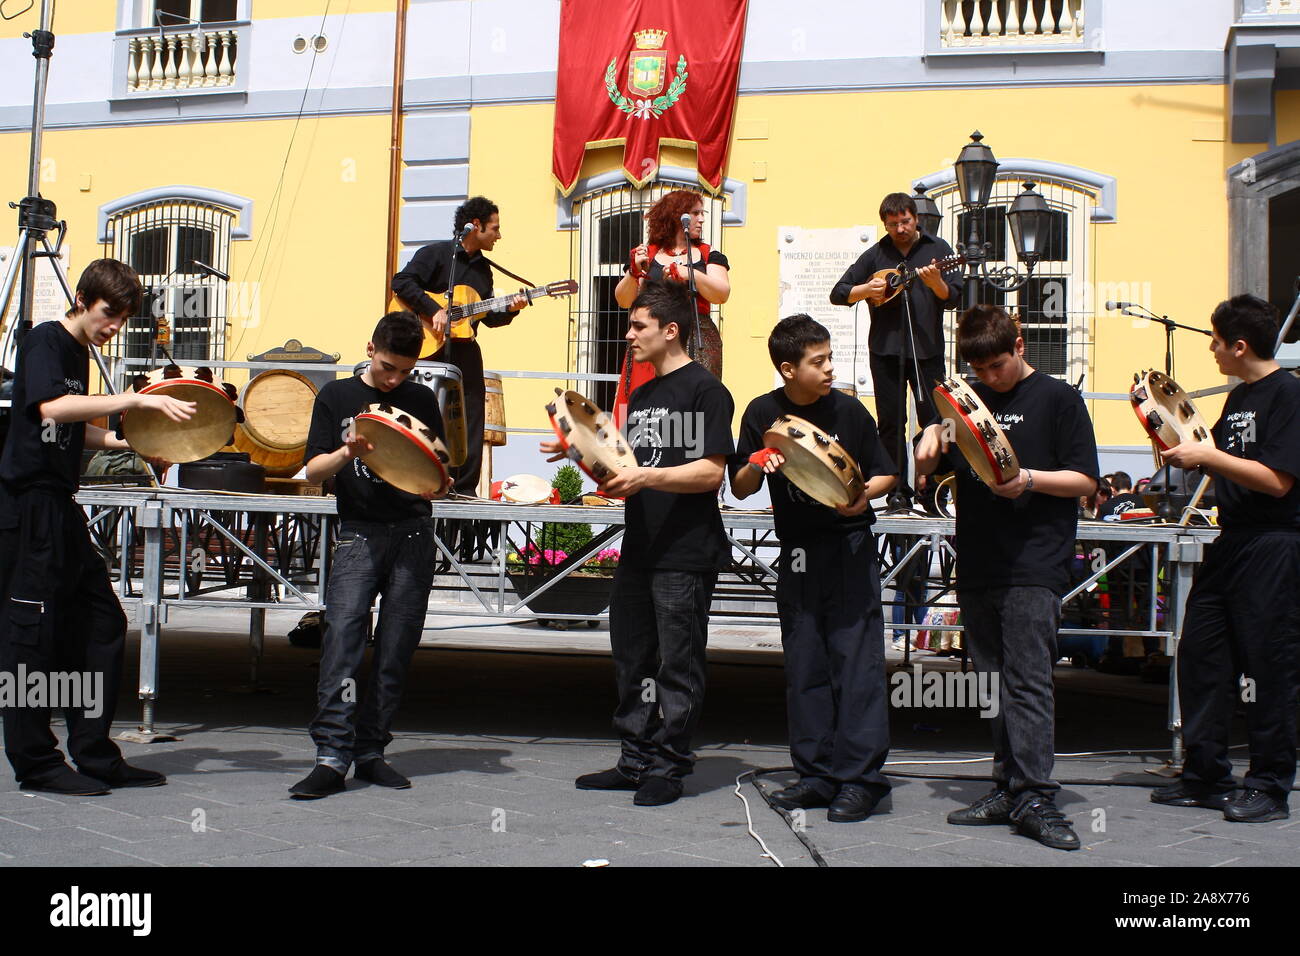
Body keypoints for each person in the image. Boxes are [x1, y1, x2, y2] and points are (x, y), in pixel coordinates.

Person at [0, 259, 188, 795]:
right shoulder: (44, 340)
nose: (115, 327)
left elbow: (78, 429)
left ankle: (95, 754)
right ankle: (36, 762)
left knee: (102, 622)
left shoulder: (79, 352)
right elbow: (52, 410)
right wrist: (134, 399)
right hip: (27, 507)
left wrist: (132, 444)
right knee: (30, 637)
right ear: (82, 298)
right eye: (110, 314)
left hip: (61, 505)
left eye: (124, 319)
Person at [914, 304, 1099, 851]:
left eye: (997, 365)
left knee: (1029, 680)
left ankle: (1037, 793)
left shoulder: (1059, 398)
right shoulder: (964, 403)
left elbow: (1085, 478)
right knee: (993, 683)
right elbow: (929, 467)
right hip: (978, 559)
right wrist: (925, 445)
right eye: (980, 369)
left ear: (1019, 346)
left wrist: (1030, 481)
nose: (990, 377)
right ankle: (1007, 784)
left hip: (1034, 561)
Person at [544, 279, 734, 807]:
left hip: (685, 550)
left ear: (670, 331)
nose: (627, 335)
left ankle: (669, 767)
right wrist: (576, 448)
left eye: (637, 326)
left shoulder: (706, 391)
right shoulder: (643, 394)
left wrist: (648, 479)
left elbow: (710, 473)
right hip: (641, 547)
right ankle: (634, 760)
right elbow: (624, 462)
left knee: (678, 663)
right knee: (632, 658)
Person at [730, 315, 898, 822]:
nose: (829, 369)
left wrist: (858, 498)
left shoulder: (849, 410)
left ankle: (860, 780)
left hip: (848, 547)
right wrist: (758, 461)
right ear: (788, 368)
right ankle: (816, 775)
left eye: (829, 358)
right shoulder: (763, 411)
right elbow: (739, 487)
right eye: (818, 361)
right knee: (805, 667)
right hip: (798, 552)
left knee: (857, 665)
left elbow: (887, 472)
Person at [1151, 294, 1300, 823]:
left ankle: (1269, 784)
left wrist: (1209, 456)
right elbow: (1218, 461)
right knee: (1202, 657)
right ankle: (1206, 774)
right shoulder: (1239, 399)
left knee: (1268, 665)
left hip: (1274, 544)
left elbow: (1279, 481)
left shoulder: (1288, 396)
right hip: (1231, 541)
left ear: (1240, 346)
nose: (1211, 349)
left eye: (1216, 340)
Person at [289, 311, 445, 799]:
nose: (396, 379)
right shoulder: (337, 396)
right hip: (358, 532)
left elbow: (440, 464)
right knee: (342, 640)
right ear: (370, 348)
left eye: (406, 370)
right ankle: (331, 757)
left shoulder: (420, 398)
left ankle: (371, 751)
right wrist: (348, 453)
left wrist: (440, 477)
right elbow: (313, 471)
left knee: (396, 646)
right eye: (388, 368)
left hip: (413, 533)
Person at [390, 196, 528, 495]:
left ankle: (463, 489)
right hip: (426, 347)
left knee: (471, 413)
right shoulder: (437, 255)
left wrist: (512, 308)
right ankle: (413, 478)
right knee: (420, 408)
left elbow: (488, 318)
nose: (499, 235)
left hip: (465, 349)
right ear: (475, 226)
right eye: (495, 228)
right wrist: (433, 310)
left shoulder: (483, 271)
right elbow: (401, 283)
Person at [830, 192, 963, 478]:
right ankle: (894, 489)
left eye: (905, 222)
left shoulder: (937, 248)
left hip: (927, 351)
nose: (900, 230)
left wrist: (936, 282)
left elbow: (952, 298)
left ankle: (933, 488)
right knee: (890, 422)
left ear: (916, 218)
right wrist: (866, 291)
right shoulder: (877, 254)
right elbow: (838, 293)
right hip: (884, 351)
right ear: (885, 225)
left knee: (936, 420)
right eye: (893, 224)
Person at [612, 190, 730, 420]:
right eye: (695, 213)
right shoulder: (649, 253)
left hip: (697, 337)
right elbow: (623, 300)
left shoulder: (709, 255)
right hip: (653, 334)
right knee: (646, 403)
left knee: (693, 406)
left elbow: (721, 293)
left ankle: (693, 451)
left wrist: (689, 274)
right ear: (677, 216)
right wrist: (634, 274)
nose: (702, 219)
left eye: (702, 213)